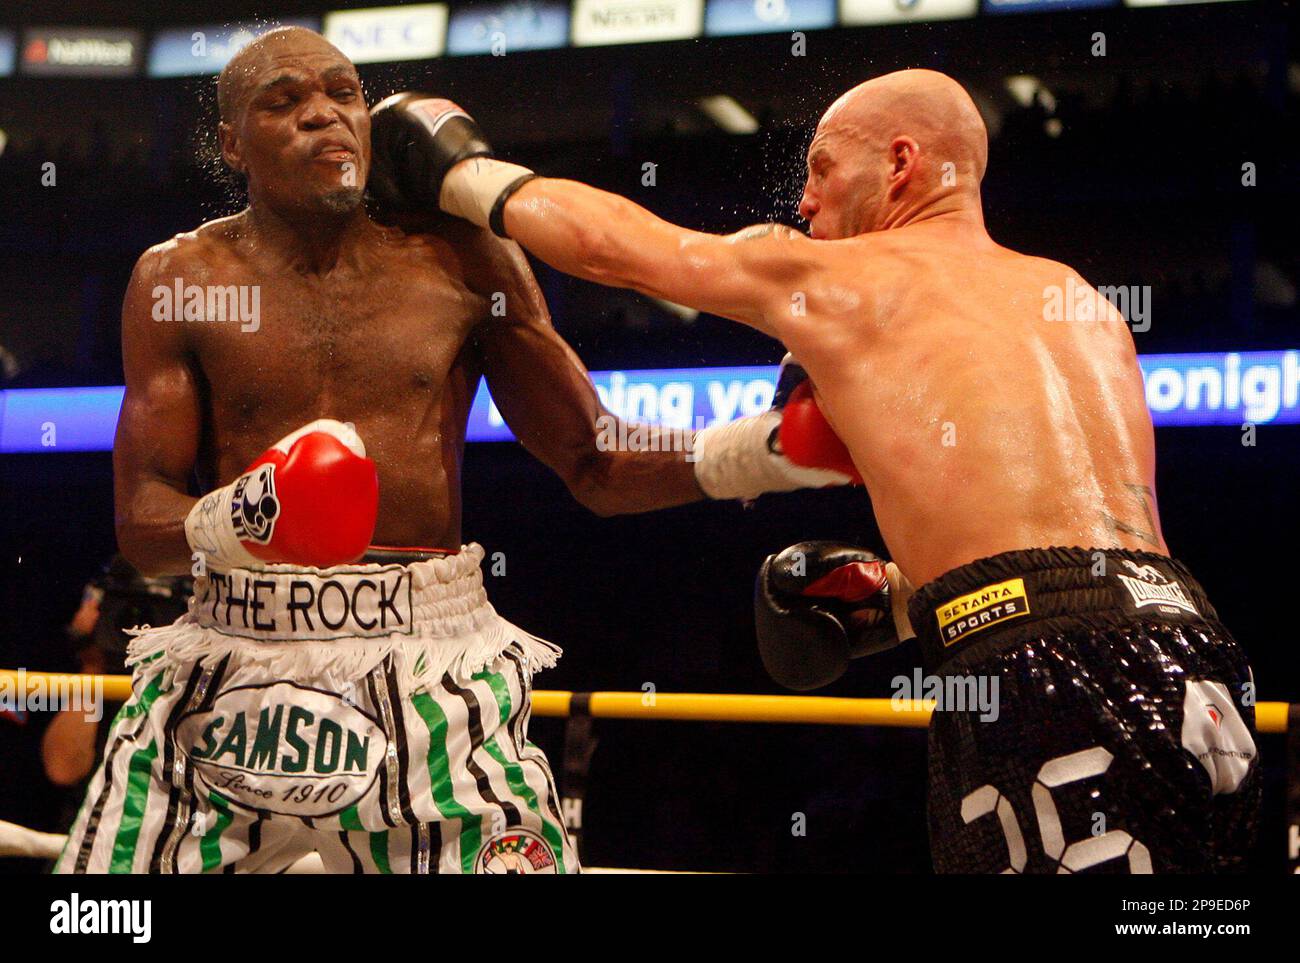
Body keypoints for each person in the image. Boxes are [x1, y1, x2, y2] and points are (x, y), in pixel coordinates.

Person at [376, 70, 1263, 872]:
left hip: (1043, 671)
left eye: (824, 169)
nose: (804, 201)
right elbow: (1095, 556)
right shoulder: (1079, 302)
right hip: (1197, 656)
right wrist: (907, 599)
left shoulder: (842, 277)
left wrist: (462, 170)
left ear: (902, 162)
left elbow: (622, 246)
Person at [55, 27, 854, 876]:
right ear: (230, 144)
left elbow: (595, 458)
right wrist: (248, 515)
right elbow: (143, 521)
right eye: (283, 100)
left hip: (429, 669)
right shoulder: (180, 278)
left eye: (343, 92)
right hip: (228, 664)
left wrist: (767, 450)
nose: (324, 114)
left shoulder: (465, 259)